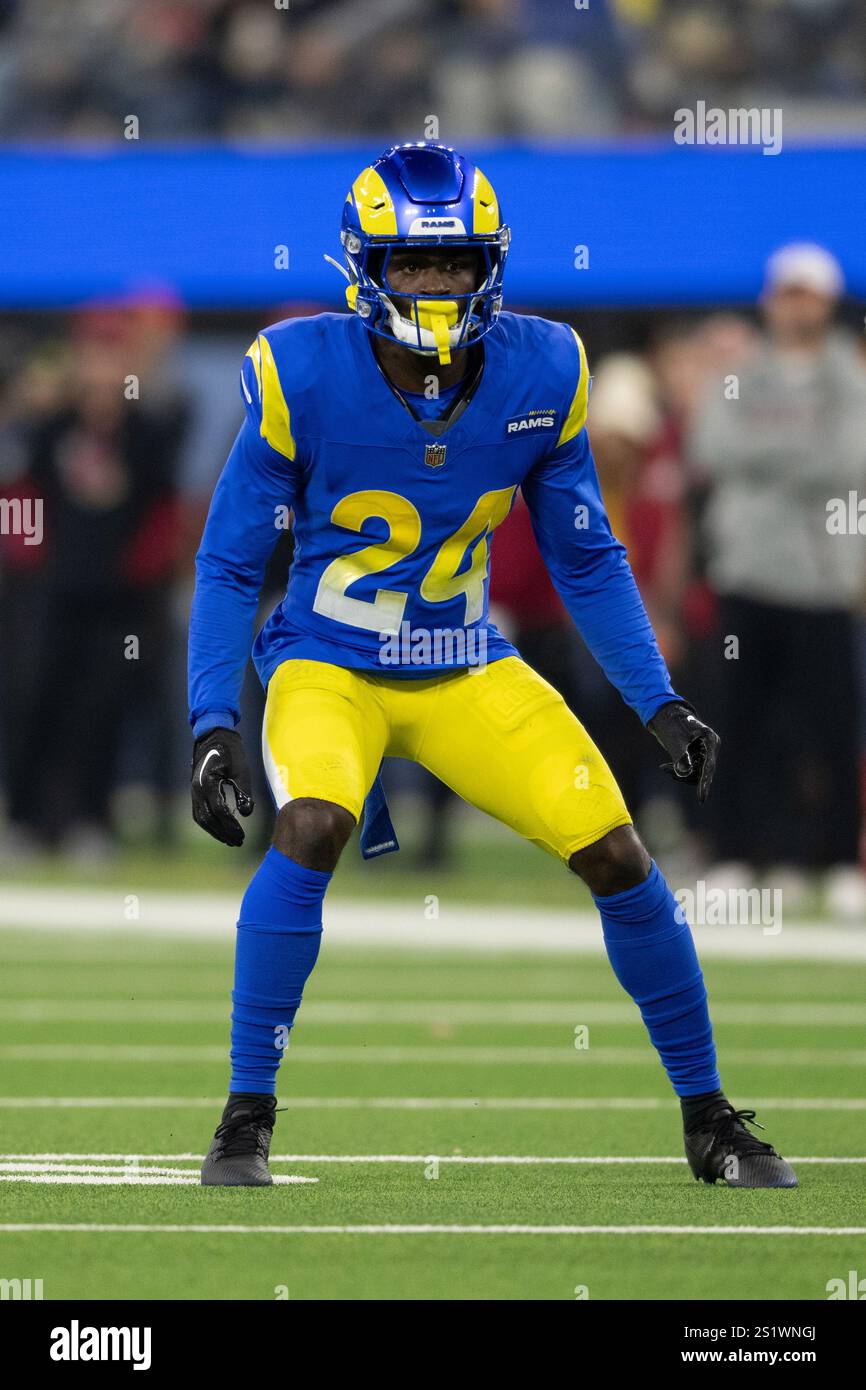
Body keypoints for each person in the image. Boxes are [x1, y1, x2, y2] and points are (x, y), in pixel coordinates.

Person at [187, 142, 795, 1189]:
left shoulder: (543, 364)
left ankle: (708, 1116)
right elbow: (232, 557)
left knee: (615, 851)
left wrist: (655, 697)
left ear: (488, 266)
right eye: (412, 266)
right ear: (365, 267)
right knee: (312, 822)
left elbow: (584, 552)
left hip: (466, 662)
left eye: (454, 263)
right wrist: (210, 721)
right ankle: (245, 1113)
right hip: (328, 664)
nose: (435, 284)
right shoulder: (298, 370)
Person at [690, 243, 866, 918]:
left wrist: (770, 454)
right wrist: (801, 447)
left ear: (825, 302)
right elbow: (713, 446)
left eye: (808, 294)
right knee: (739, 719)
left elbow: (848, 457)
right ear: (772, 299)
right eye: (787, 293)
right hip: (748, 574)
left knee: (829, 725)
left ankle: (833, 860)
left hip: (823, 581)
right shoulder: (741, 372)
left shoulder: (846, 374)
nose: (797, 306)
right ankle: (736, 853)